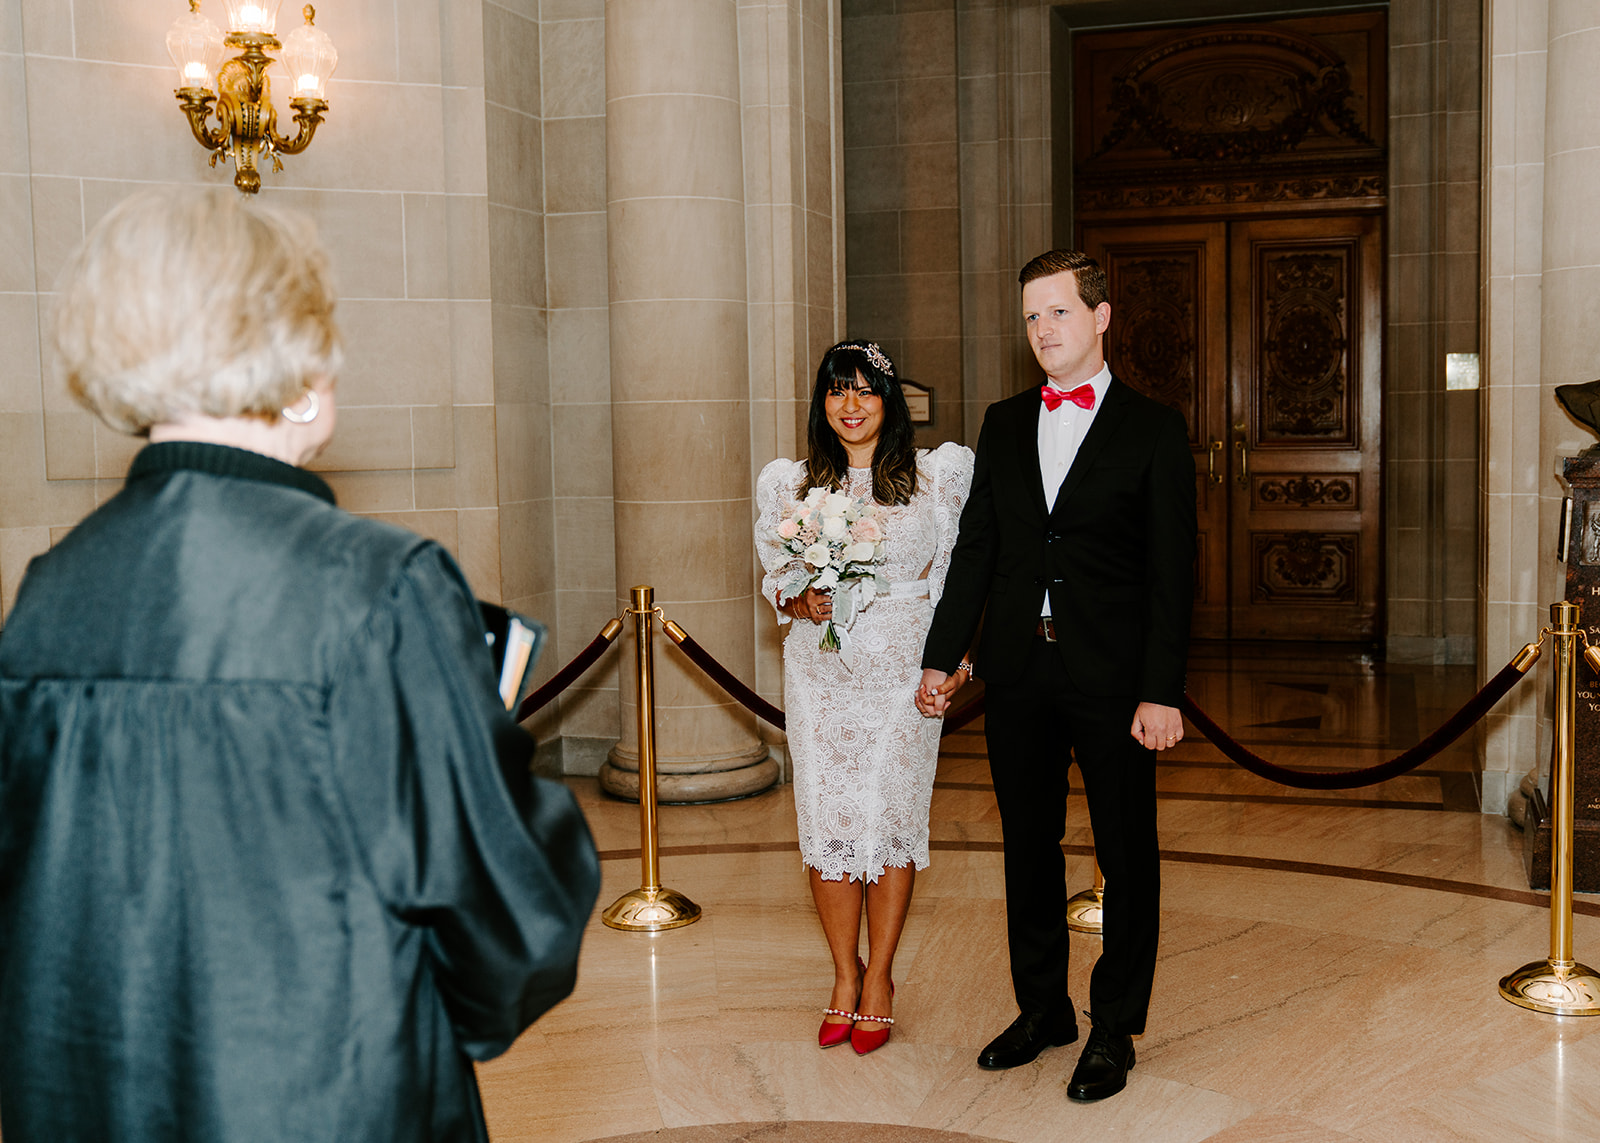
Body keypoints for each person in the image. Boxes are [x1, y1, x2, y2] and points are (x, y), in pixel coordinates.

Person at [0, 188, 601, 1143]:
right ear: (303, 362)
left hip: (96, 1100)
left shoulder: (46, 594)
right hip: (324, 1099)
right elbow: (511, 920)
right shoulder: (377, 588)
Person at [917, 250, 1196, 1102]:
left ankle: (1115, 1026)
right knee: (1027, 846)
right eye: (1032, 316)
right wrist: (940, 653)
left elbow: (1171, 571)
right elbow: (978, 551)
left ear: (1101, 316)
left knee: (1125, 852)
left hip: (1115, 677)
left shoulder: (1153, 428)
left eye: (1060, 313)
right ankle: (1044, 1008)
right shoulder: (1003, 423)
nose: (1044, 330)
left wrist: (1161, 689)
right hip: (1019, 669)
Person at [756, 341, 973, 1056]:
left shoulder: (932, 479)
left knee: (889, 819)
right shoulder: (793, 488)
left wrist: (954, 663)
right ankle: (842, 975)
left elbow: (951, 580)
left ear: (888, 400)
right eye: (835, 392)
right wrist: (801, 597)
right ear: (821, 404)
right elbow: (777, 578)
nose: (850, 406)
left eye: (865, 391)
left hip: (900, 681)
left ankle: (879, 977)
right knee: (828, 825)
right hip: (821, 680)